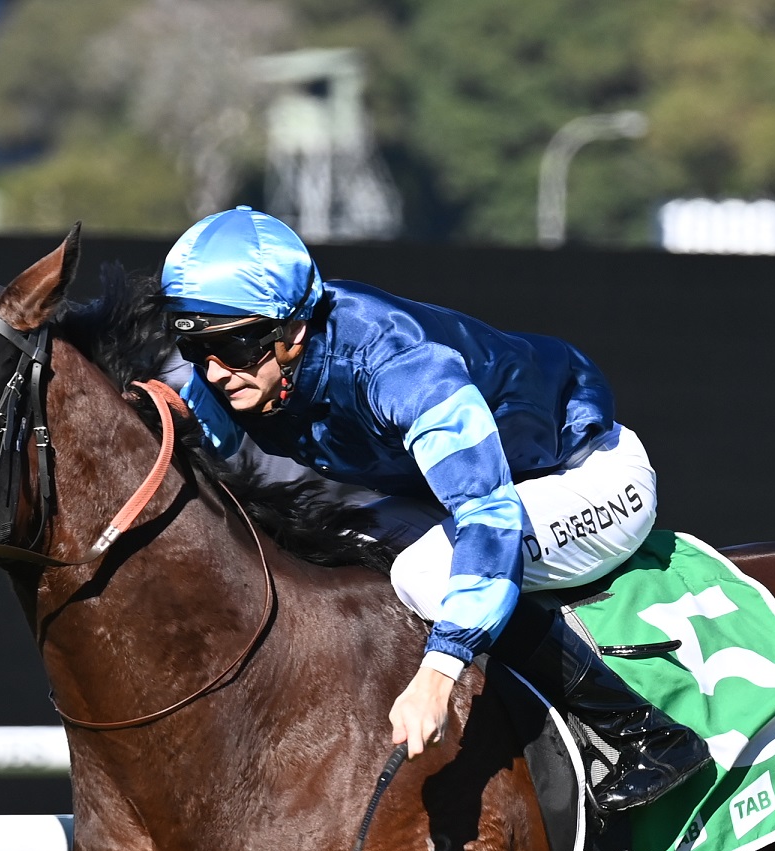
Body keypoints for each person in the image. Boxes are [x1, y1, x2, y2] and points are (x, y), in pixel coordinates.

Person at [156, 206, 709, 814]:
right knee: (330, 546)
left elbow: (487, 514)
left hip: (588, 477)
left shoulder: (400, 368)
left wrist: (438, 673)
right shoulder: (249, 364)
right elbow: (184, 435)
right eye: (196, 348)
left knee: (427, 575)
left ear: (295, 328)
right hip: (480, 490)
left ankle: (648, 736)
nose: (214, 372)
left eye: (233, 345)